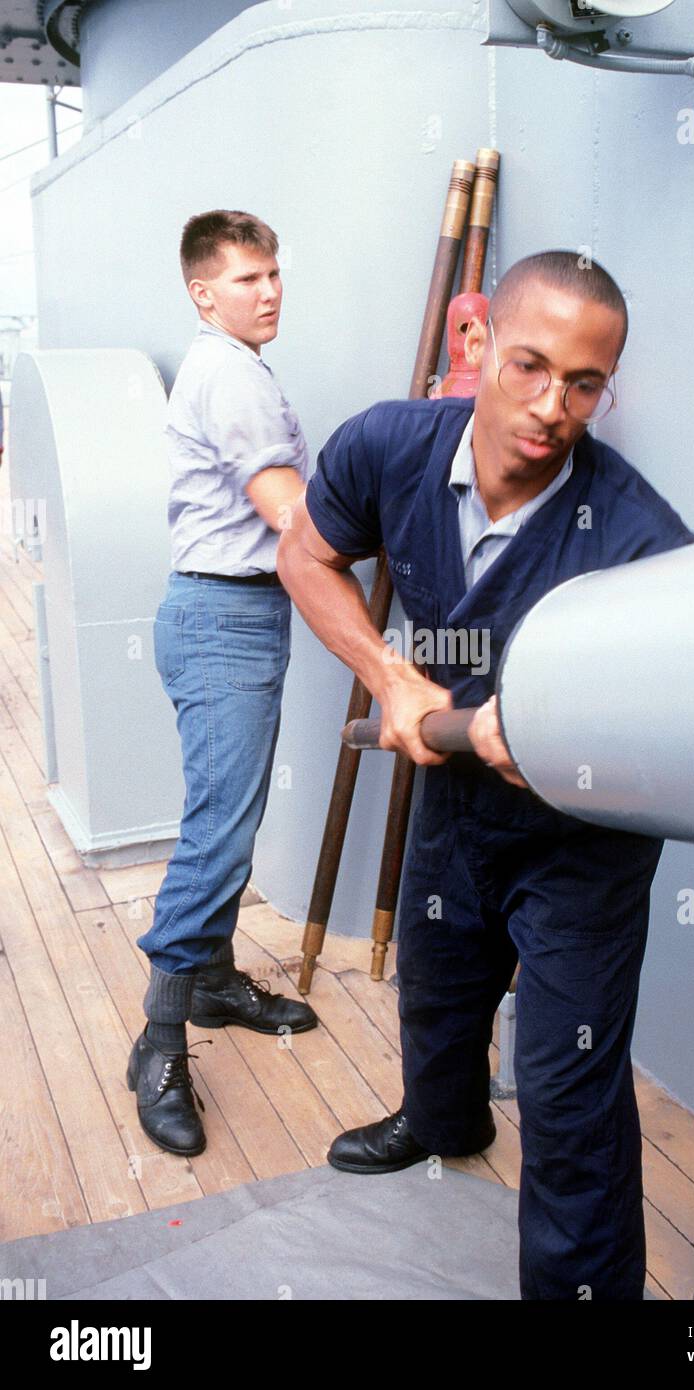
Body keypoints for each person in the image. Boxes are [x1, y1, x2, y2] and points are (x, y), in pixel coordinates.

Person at [278, 250, 694, 1300]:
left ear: (606, 387)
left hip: (581, 843)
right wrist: (392, 676)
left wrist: (567, 738)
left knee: (566, 1093)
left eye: (583, 383)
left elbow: (685, 717)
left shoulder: (641, 541)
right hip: (453, 803)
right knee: (436, 993)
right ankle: (441, 1122)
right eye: (528, 366)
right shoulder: (386, 446)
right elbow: (303, 553)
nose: (552, 406)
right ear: (476, 349)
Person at [127, 210, 318, 1159]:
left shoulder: (231, 365)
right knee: (219, 830)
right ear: (204, 293)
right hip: (223, 619)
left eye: (275, 272)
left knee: (225, 812)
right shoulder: (230, 373)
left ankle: (212, 980)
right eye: (247, 279)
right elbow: (287, 511)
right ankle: (159, 1040)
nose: (270, 290)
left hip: (231, 614)